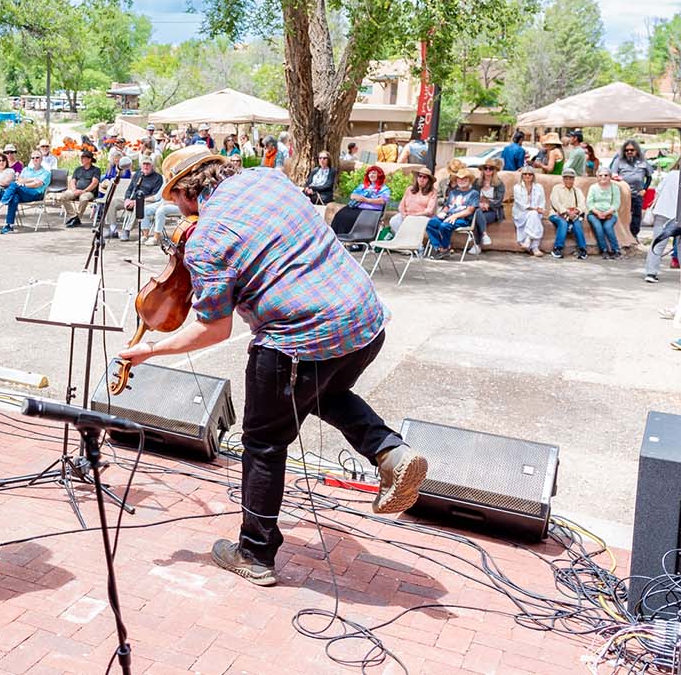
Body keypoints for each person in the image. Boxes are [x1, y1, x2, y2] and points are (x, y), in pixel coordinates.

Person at [114, 147, 427, 588]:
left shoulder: (206, 238)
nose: (180, 210)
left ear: (186, 192)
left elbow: (212, 330)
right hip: (364, 320)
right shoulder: (270, 179)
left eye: (176, 199)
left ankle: (255, 552)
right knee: (324, 392)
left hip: (296, 340)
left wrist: (151, 351)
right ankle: (391, 451)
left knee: (263, 442)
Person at [644, 161, 681, 283]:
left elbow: (658, 190)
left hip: (663, 211)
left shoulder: (670, 175)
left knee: (658, 243)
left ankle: (651, 272)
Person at [425, 169, 479, 258]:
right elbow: (447, 206)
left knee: (444, 226)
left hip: (463, 219)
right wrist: (442, 212)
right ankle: (440, 247)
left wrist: (454, 216)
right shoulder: (453, 192)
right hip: (448, 216)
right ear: (456, 180)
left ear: (469, 180)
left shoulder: (474, 193)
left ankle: (444, 249)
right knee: (430, 223)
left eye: (464, 178)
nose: (461, 181)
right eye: (459, 179)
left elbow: (469, 210)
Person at [0, 150, 50, 235]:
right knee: (14, 197)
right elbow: (19, 180)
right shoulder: (26, 170)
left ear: (41, 159)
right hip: (24, 193)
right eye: (33, 158)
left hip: (35, 194)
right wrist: (31, 179)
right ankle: (9, 225)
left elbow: (37, 184)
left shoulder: (46, 173)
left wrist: (23, 185)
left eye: (37, 157)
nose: (35, 159)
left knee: (14, 185)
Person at [608, 140, 653, 229]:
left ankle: (634, 236)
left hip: (637, 194)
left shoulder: (643, 162)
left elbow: (649, 177)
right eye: (626, 150)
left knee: (636, 217)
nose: (629, 152)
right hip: (622, 195)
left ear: (636, 151)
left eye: (632, 150)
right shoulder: (618, 161)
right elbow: (612, 175)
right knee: (623, 216)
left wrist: (645, 189)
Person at [116, 157, 163, 241]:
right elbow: (129, 189)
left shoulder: (158, 178)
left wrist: (137, 201)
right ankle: (112, 229)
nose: (146, 166)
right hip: (131, 199)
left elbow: (154, 196)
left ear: (152, 166)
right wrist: (127, 199)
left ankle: (126, 230)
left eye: (148, 164)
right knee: (113, 203)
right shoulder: (137, 175)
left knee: (139, 206)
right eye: (144, 164)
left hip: (146, 201)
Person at [547, 172, 588, 259]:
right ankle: (557, 248)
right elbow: (555, 202)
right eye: (566, 178)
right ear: (563, 179)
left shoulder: (577, 191)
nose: (569, 180)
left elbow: (582, 204)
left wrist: (576, 211)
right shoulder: (557, 188)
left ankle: (582, 249)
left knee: (577, 224)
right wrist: (566, 212)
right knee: (563, 223)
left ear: (574, 179)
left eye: (571, 178)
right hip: (557, 214)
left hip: (573, 215)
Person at [585, 171, 624, 259]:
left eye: (606, 175)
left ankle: (616, 250)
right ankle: (604, 250)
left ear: (610, 176)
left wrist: (606, 213)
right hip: (594, 213)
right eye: (600, 175)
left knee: (608, 227)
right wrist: (598, 213)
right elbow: (589, 203)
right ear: (597, 177)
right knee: (598, 228)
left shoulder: (615, 188)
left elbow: (616, 204)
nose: (603, 177)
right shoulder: (593, 187)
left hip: (610, 214)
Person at [57, 150, 102, 227]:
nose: (82, 160)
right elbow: (73, 181)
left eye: (84, 158)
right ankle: (74, 216)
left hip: (88, 192)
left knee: (84, 198)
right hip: (76, 190)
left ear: (89, 159)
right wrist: (74, 190)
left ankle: (77, 218)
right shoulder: (78, 169)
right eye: (81, 158)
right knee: (64, 196)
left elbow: (94, 183)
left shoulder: (96, 170)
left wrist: (84, 191)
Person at [511, 167, 546, 255]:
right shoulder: (517, 187)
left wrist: (540, 209)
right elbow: (520, 204)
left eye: (530, 174)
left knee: (534, 215)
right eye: (525, 174)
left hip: (536, 212)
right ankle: (535, 247)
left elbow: (542, 201)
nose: (527, 176)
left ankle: (528, 240)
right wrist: (535, 209)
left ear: (533, 176)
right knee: (533, 215)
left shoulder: (539, 187)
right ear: (522, 176)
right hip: (521, 213)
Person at [472, 162, 505, 246]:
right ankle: (484, 235)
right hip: (478, 209)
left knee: (477, 217)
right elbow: (472, 196)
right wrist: (479, 204)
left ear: (494, 170)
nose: (488, 170)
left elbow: (499, 201)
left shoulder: (499, 184)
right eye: (485, 168)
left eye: (490, 168)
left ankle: (476, 245)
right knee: (478, 212)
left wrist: (488, 205)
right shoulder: (476, 182)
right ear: (482, 170)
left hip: (493, 211)